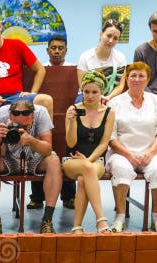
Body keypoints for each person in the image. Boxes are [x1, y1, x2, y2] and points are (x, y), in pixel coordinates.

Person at [106, 62, 157, 233]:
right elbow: (110, 138)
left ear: (148, 79)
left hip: (151, 151)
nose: (137, 79)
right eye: (133, 75)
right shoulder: (115, 102)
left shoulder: (156, 101)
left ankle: (156, 217)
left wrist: (150, 154)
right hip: (121, 152)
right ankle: (120, 217)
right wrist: (129, 155)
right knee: (120, 168)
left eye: (141, 76)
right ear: (126, 79)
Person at [0, 99, 61, 234]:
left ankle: (47, 220)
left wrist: (31, 140)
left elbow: (48, 149)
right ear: (10, 116)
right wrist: (0, 139)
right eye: (16, 116)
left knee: (54, 160)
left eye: (25, 124)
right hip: (9, 156)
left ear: (33, 115)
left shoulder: (41, 113)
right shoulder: (1, 114)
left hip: (35, 156)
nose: (20, 119)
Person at [0, 12, 53, 119]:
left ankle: (45, 136)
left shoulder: (17, 45)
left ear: (0, 27)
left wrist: (32, 93)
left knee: (47, 100)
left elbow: (40, 69)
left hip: (16, 99)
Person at [29, 34, 76, 211]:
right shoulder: (39, 70)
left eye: (60, 48)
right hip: (42, 119)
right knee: (39, 152)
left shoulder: (73, 69)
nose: (57, 51)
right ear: (48, 50)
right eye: (53, 48)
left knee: (67, 152)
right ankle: (37, 198)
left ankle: (69, 196)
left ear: (66, 50)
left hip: (66, 118)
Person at [63, 72, 114, 234]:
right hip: (72, 158)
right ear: (82, 92)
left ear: (101, 92)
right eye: (86, 92)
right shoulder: (73, 110)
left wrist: (89, 160)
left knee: (84, 178)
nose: (90, 96)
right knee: (86, 170)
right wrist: (71, 122)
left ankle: (77, 226)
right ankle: (101, 220)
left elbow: (104, 143)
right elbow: (70, 143)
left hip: (95, 159)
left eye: (94, 92)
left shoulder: (109, 112)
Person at [76, 19, 127, 101]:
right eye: (108, 36)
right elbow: (83, 85)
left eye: (115, 38)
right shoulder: (85, 56)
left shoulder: (120, 57)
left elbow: (120, 85)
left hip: (110, 97)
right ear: (101, 35)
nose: (111, 41)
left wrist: (108, 98)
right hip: (87, 96)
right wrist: (97, 98)